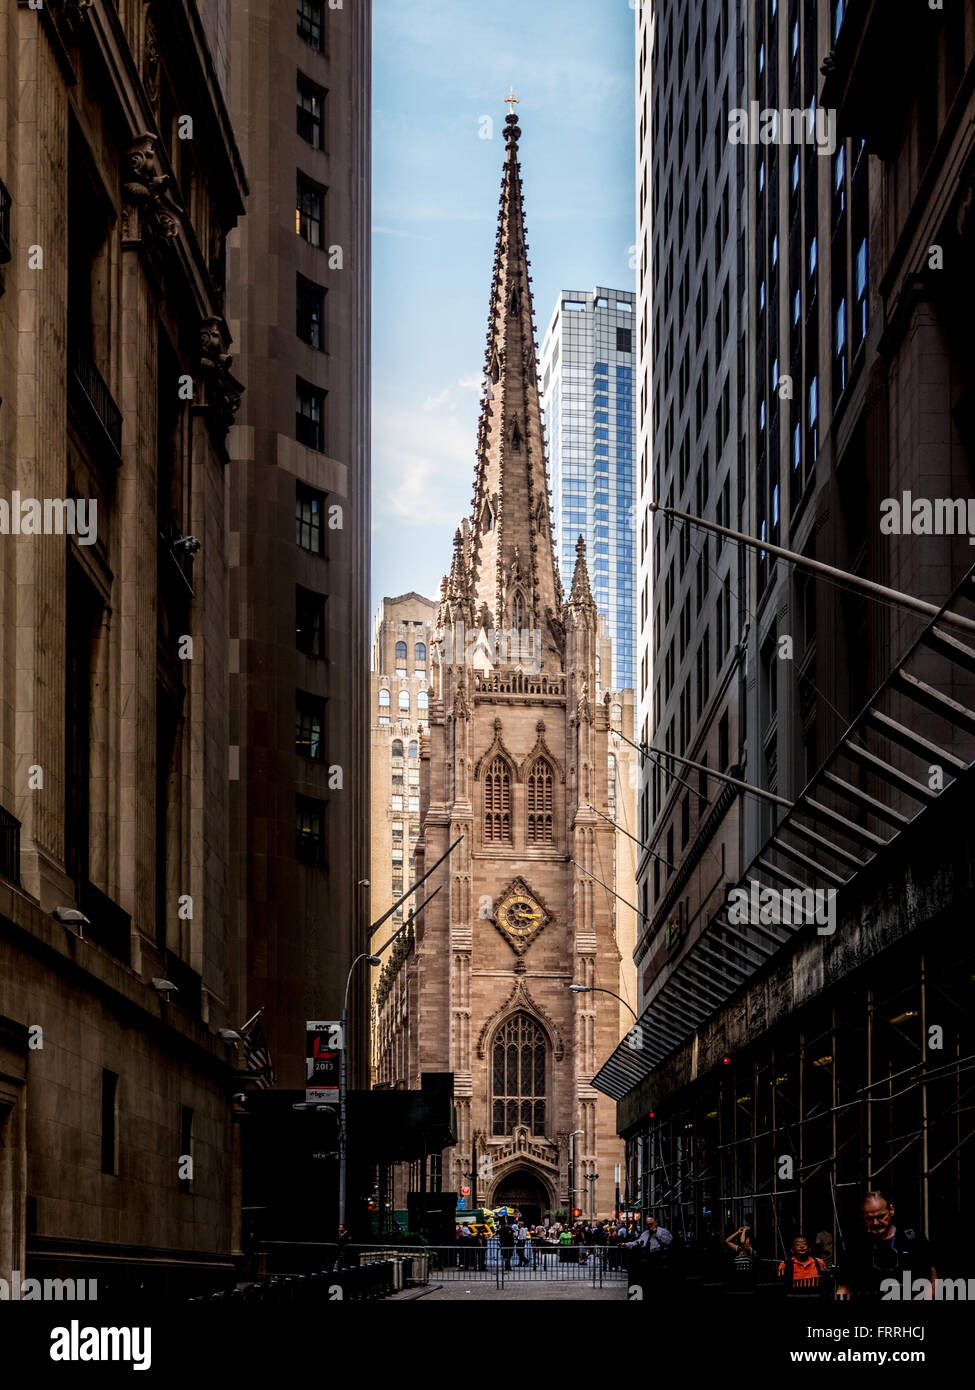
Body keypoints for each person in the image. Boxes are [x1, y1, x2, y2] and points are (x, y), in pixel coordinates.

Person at [835, 1190, 936, 1300]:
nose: (875, 1223)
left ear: (891, 1210)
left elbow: (932, 1281)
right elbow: (844, 1288)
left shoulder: (913, 1238)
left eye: (881, 1216)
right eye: (869, 1218)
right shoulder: (856, 1245)